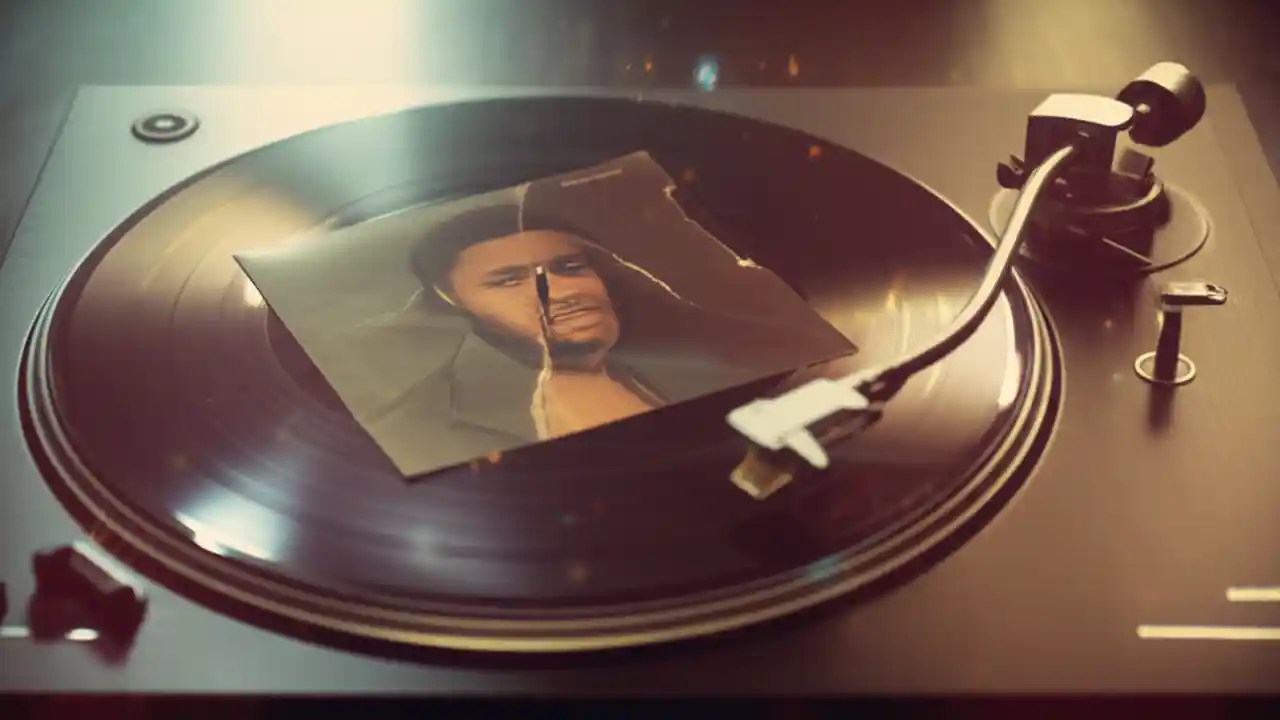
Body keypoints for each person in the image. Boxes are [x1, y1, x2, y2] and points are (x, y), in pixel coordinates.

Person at [363, 202, 849, 477]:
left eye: (570, 267)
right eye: (508, 280)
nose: (561, 292)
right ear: (453, 302)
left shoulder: (704, 360)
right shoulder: (421, 423)